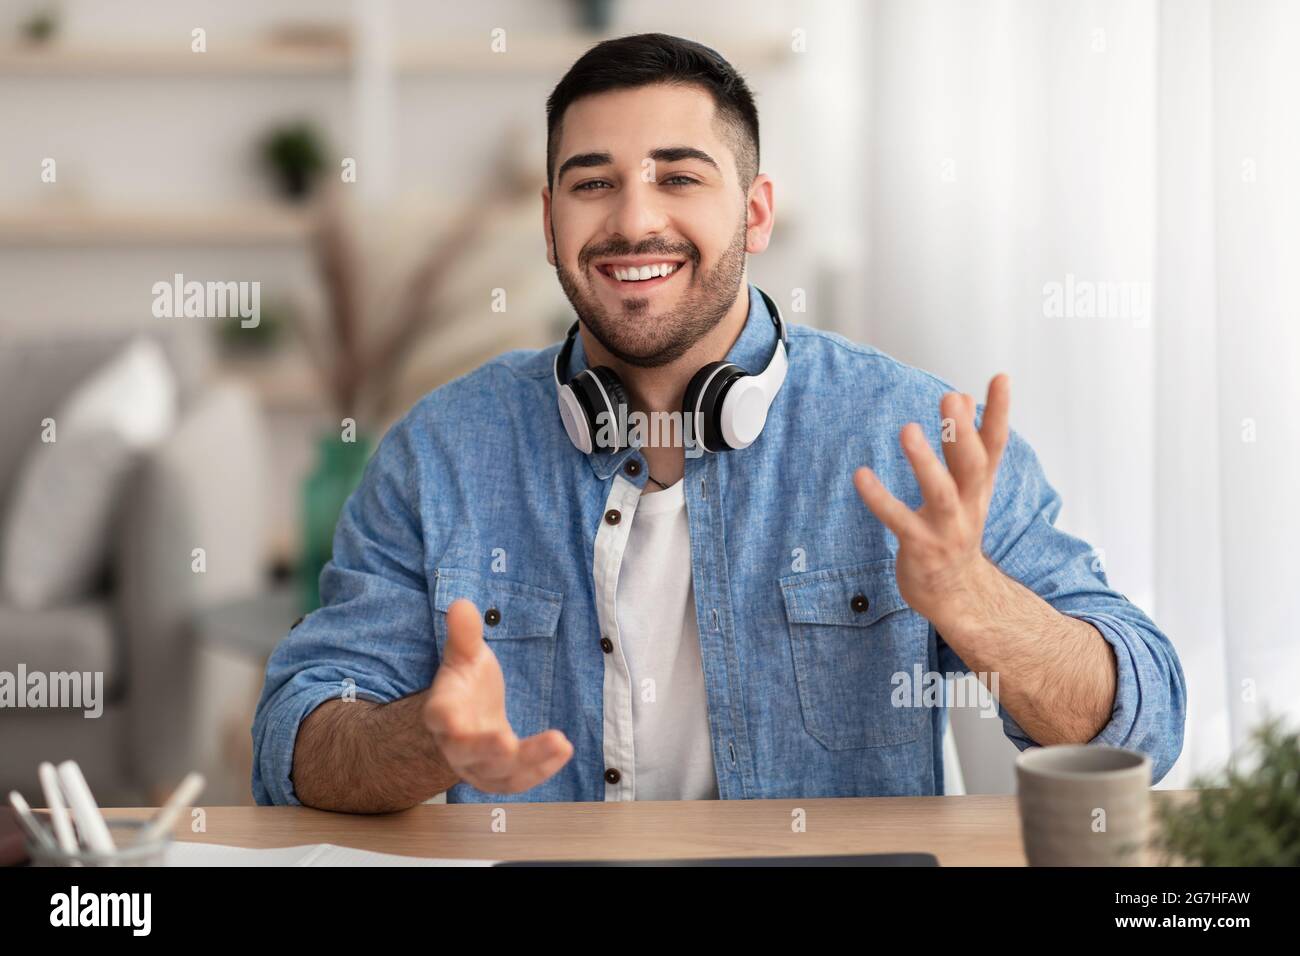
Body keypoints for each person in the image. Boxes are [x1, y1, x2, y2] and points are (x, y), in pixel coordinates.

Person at [252, 33, 1185, 811]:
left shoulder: (920, 437)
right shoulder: (439, 452)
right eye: (592, 184)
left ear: (756, 210)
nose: (633, 220)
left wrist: (978, 604)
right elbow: (293, 747)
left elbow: (1145, 725)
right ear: (547, 224)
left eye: (678, 177)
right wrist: (425, 741)